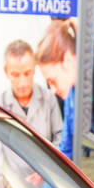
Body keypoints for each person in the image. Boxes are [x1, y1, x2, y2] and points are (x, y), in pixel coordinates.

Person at [0, 40, 64, 146]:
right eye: (15, 75)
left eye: (27, 73)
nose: (22, 83)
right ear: (6, 71)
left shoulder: (49, 99)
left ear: (34, 68)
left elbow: (60, 137)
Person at [37, 18, 83, 160]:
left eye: (53, 81)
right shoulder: (71, 97)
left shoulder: (84, 95)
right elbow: (66, 147)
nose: (52, 89)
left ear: (67, 60)